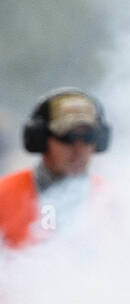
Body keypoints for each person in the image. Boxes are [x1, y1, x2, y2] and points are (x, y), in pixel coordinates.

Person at [0, 88, 111, 250]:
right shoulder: (4, 196)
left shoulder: (109, 201)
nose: (78, 149)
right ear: (40, 139)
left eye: (88, 137)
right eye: (68, 136)